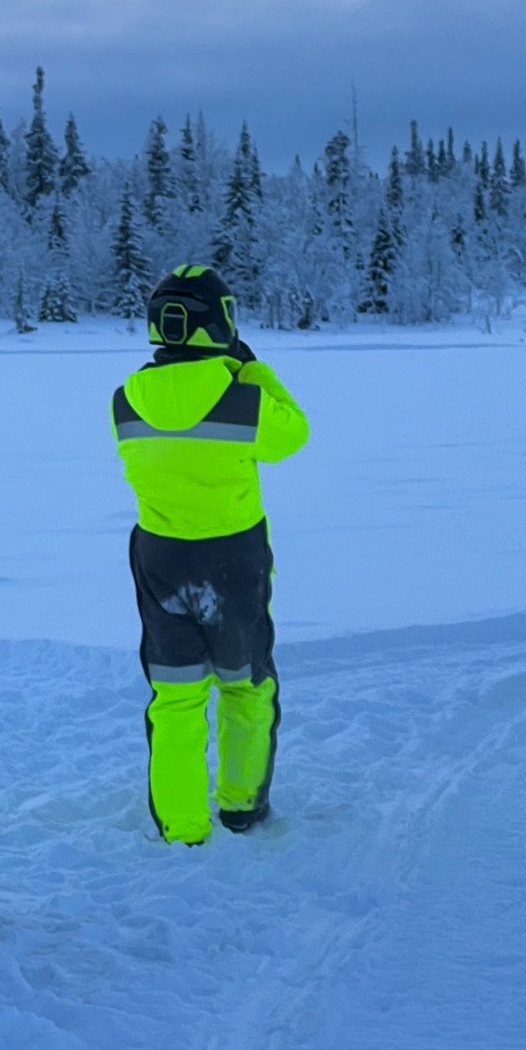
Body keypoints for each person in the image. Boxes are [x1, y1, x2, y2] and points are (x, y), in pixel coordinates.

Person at [111, 265, 309, 845]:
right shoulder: (243, 399)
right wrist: (252, 368)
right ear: (218, 324)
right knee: (246, 687)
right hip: (233, 561)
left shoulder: (125, 401)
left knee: (174, 697)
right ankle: (241, 805)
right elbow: (293, 434)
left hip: (159, 558)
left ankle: (181, 825)